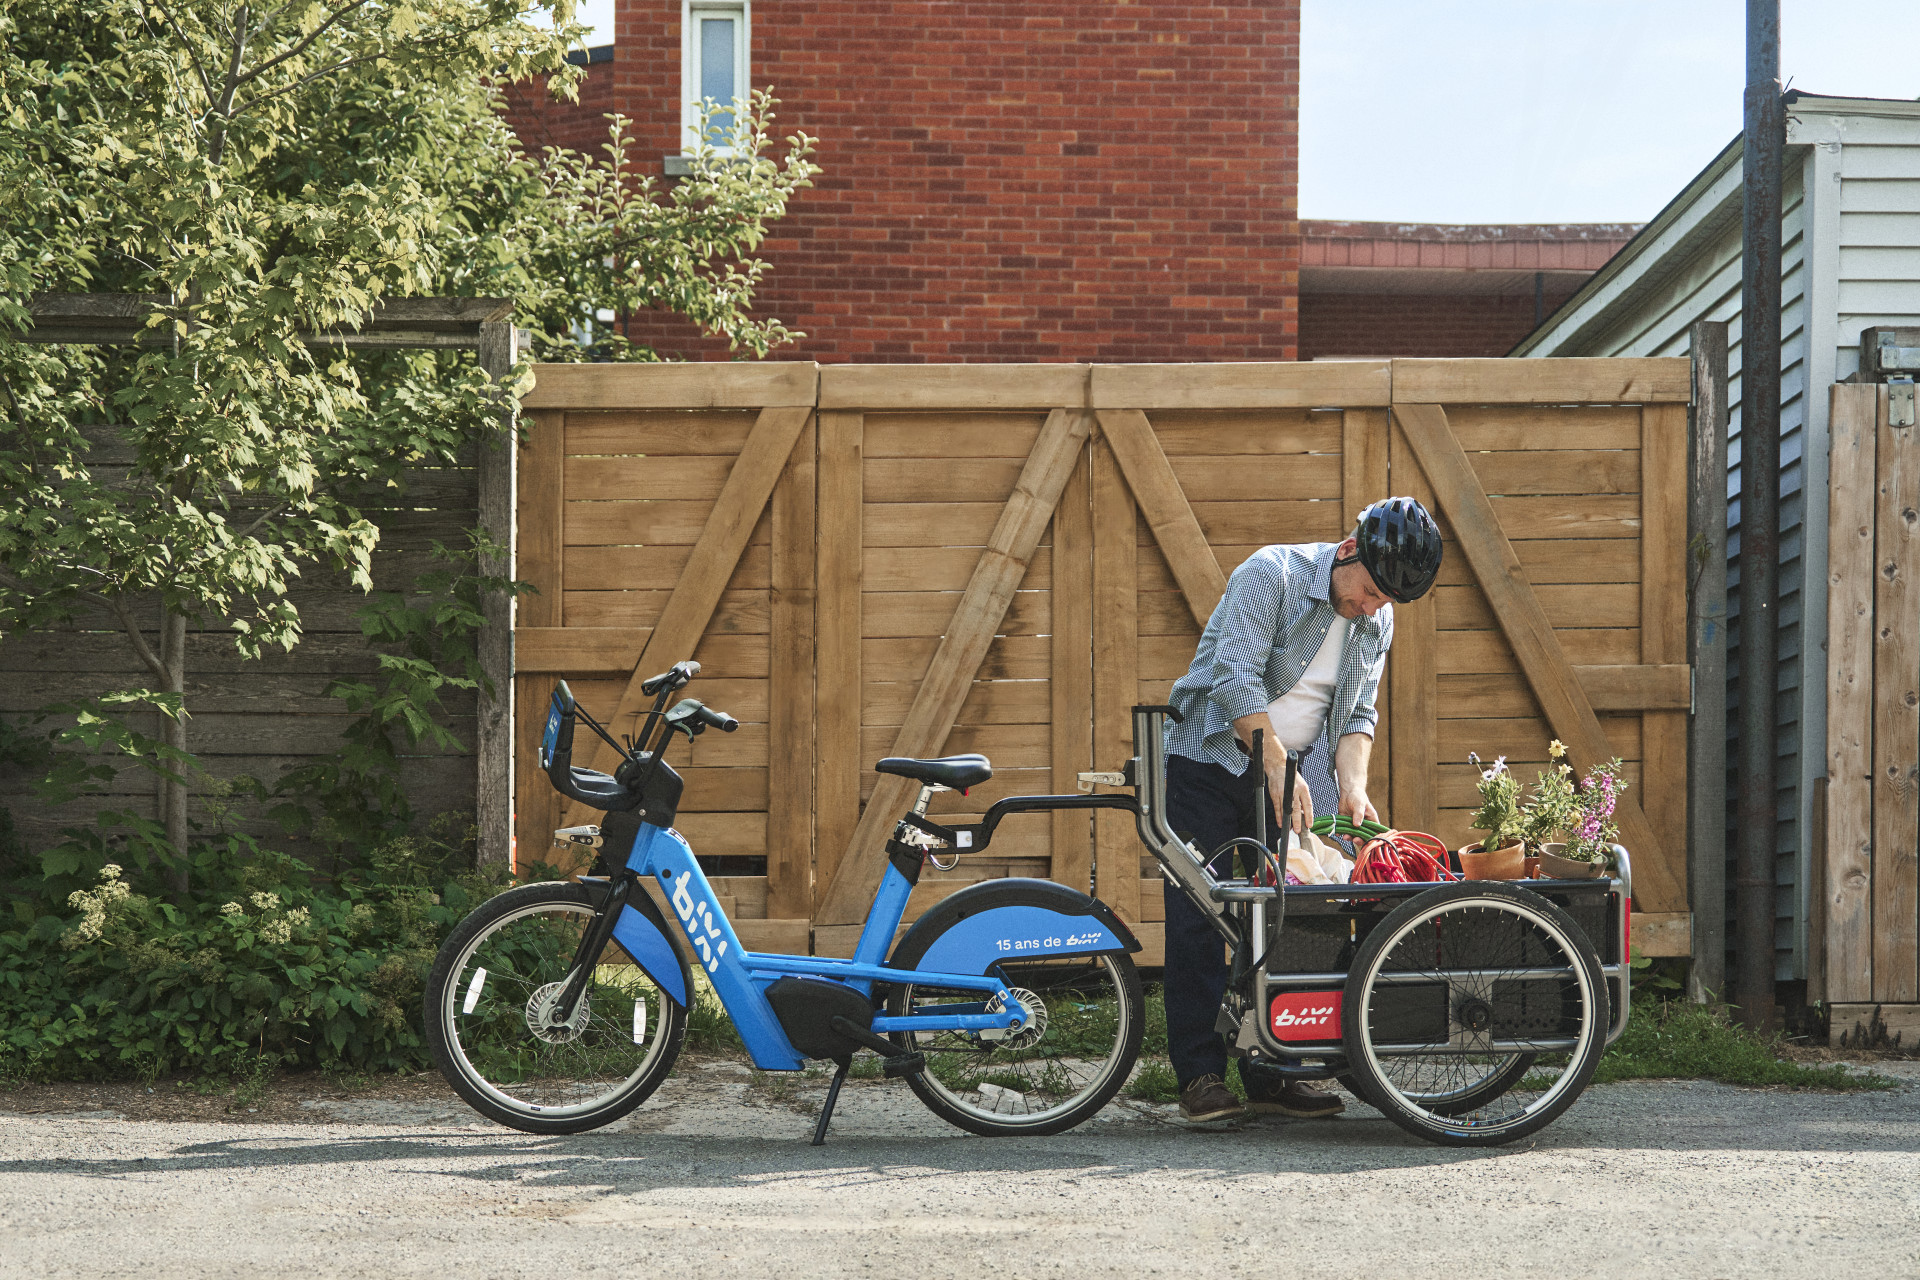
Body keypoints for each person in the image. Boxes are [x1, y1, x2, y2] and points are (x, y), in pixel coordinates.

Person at [1160, 497, 1443, 1126]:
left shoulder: (1378, 619)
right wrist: (1278, 771)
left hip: (1295, 777)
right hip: (1210, 760)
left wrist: (1354, 786)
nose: (1371, 607)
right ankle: (1200, 1073)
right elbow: (1233, 682)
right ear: (1348, 550)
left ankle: (1272, 1072)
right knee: (1202, 916)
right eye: (1368, 590)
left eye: (1384, 601)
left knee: (1286, 918)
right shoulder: (1273, 575)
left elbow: (1357, 716)